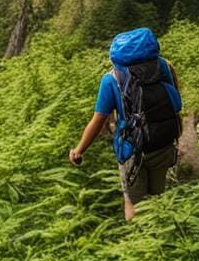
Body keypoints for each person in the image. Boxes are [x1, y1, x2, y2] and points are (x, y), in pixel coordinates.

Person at [69, 27, 182, 220]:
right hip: (163, 142)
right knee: (158, 196)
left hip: (132, 149)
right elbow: (174, 101)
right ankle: (160, 228)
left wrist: (79, 151)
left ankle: (138, 235)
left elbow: (98, 122)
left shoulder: (111, 79)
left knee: (133, 201)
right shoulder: (162, 65)